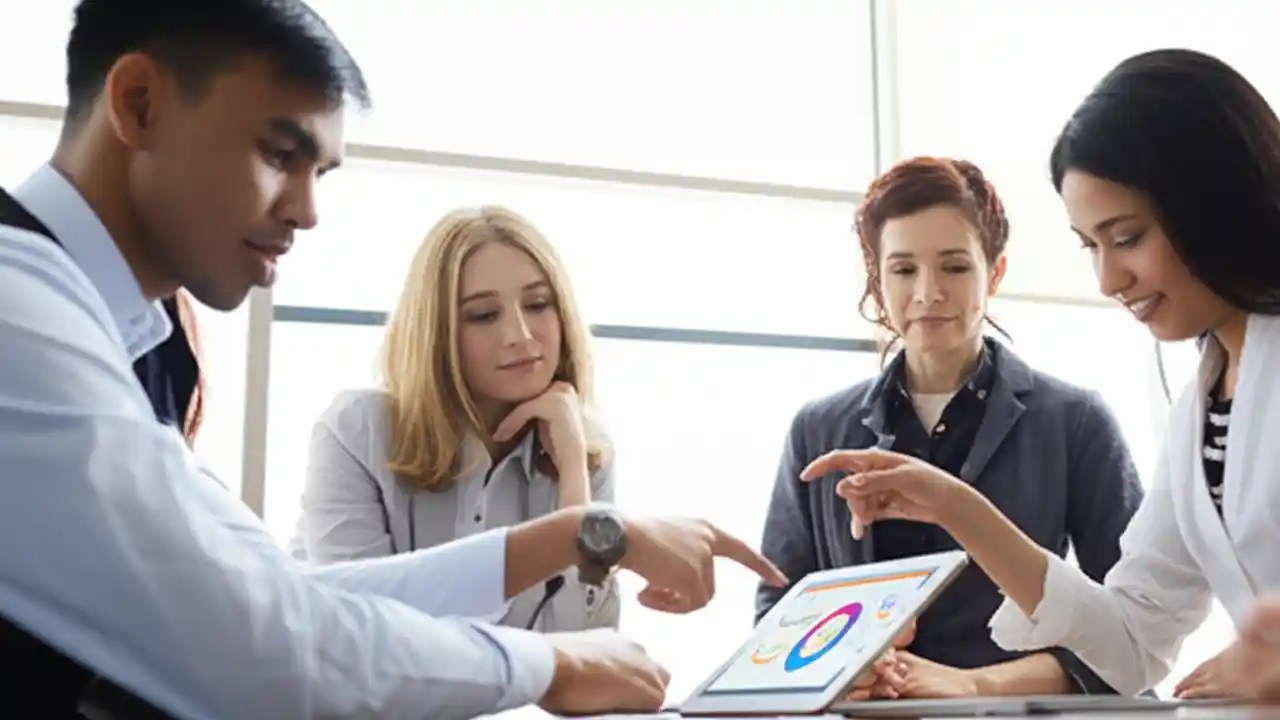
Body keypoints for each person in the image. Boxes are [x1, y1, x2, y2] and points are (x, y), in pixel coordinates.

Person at [0, 2, 786, 718]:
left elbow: (285, 598)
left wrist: (580, 534)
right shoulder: (17, 310)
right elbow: (256, 647)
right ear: (140, 104)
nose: (307, 212)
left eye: (321, 174)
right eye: (280, 154)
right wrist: (546, 663)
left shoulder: (132, 342)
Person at [802, 48, 1280, 700]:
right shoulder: (1200, 406)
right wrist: (955, 508)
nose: (1109, 280)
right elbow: (1131, 636)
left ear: (1213, 200)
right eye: (1091, 246)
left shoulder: (1077, 418)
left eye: (1128, 237)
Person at [758, 156, 1142, 699]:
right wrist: (840, 673)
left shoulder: (1074, 421)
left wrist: (973, 686)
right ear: (877, 275)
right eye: (904, 269)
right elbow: (778, 620)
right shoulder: (817, 429)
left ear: (996, 272)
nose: (928, 292)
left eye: (955, 267)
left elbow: (1130, 637)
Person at [293, 205, 621, 633]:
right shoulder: (357, 432)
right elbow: (360, 634)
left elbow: (591, 650)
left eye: (538, 304)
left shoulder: (584, 448)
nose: (520, 335)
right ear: (436, 331)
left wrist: (574, 478)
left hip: (521, 702)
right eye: (484, 315)